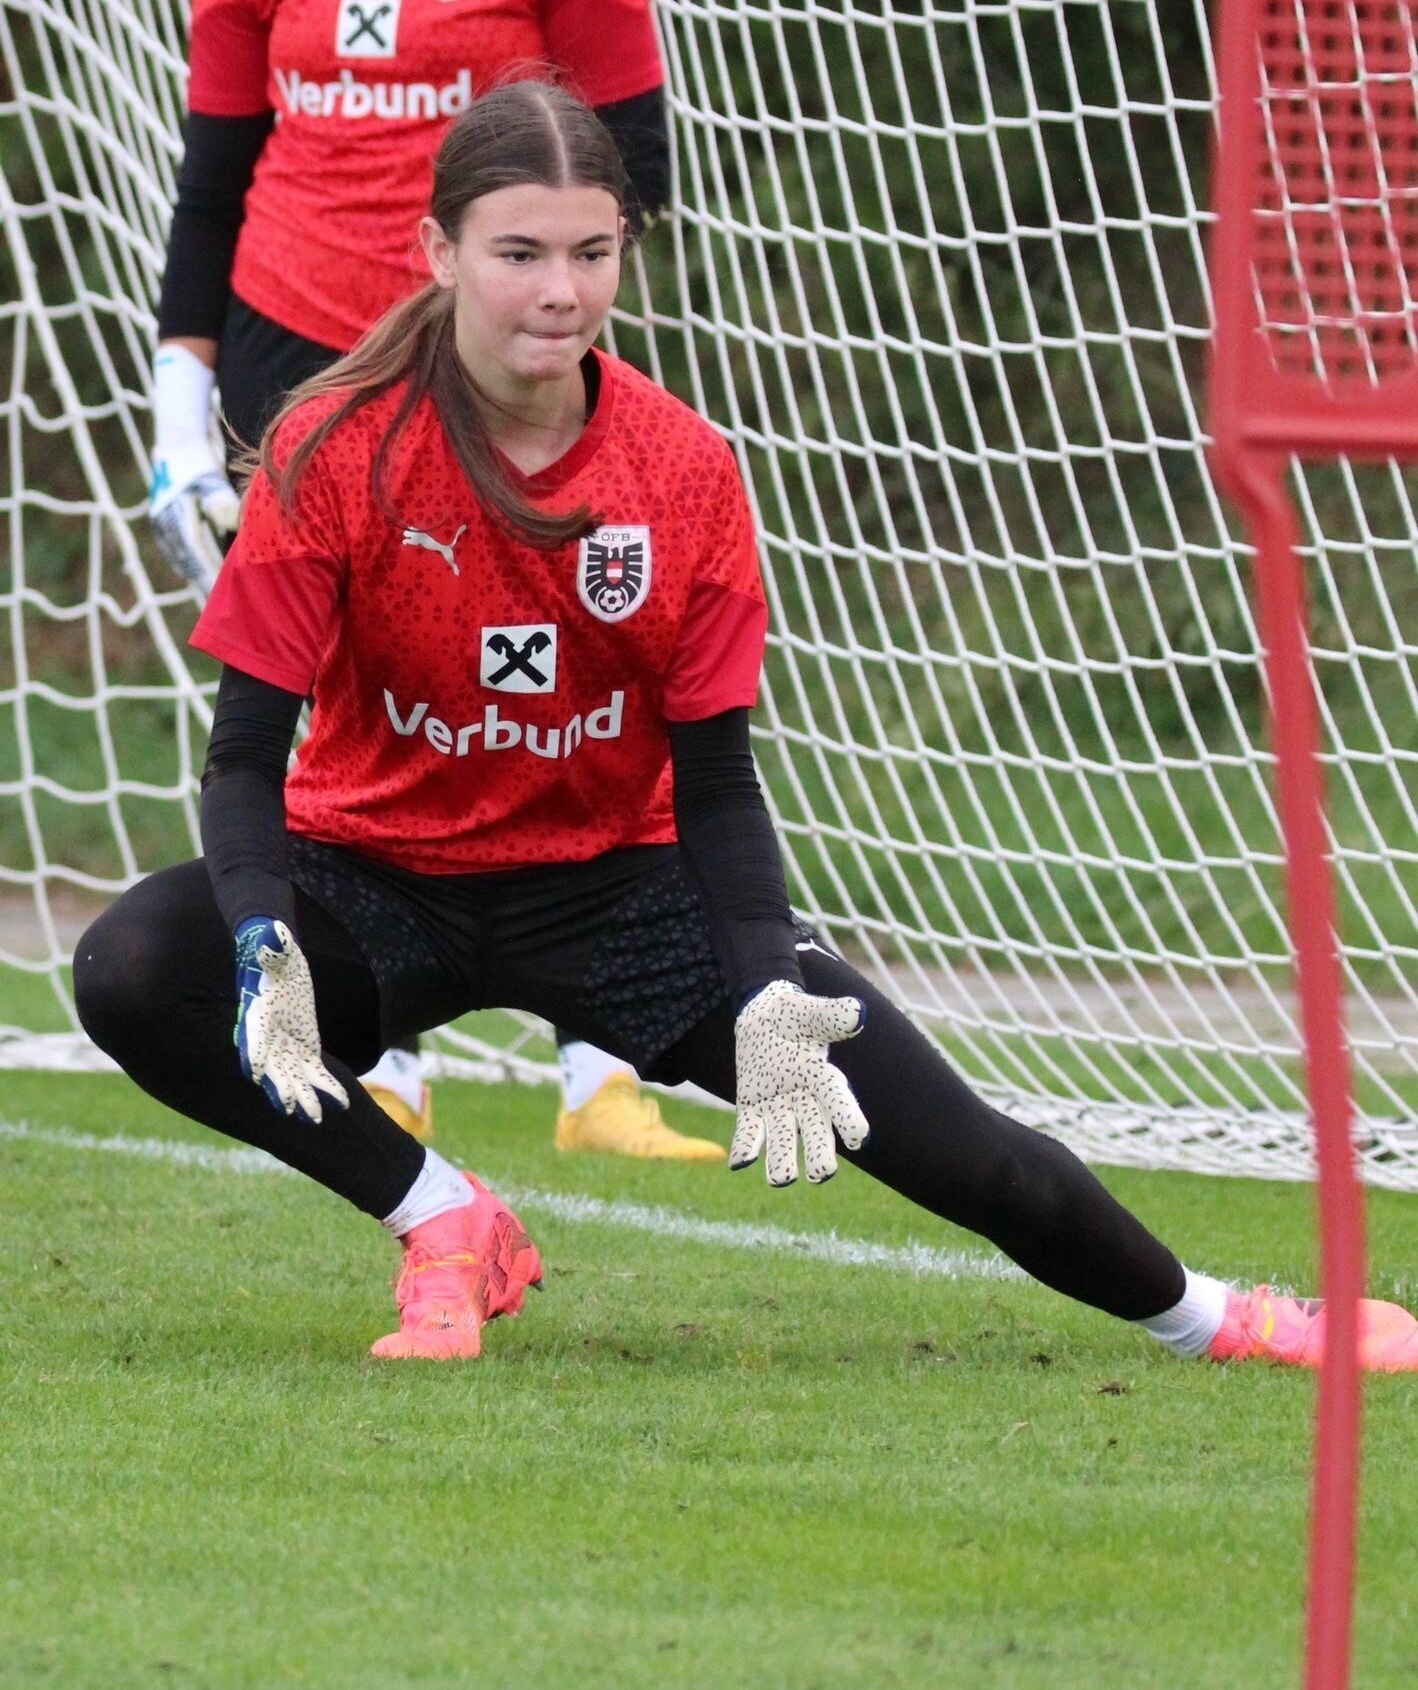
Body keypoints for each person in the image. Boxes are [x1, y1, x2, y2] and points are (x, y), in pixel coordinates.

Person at [78, 82, 1418, 1372]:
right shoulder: (337, 446)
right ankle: (440, 1218)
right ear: (437, 252)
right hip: (375, 887)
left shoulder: (683, 469)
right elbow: (245, 756)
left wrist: (767, 987)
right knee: (138, 968)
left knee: (971, 1154)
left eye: (591, 251)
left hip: (625, 898)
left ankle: (1218, 1318)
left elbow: (717, 785)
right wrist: (264, 937)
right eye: (519, 252)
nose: (558, 289)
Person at [147, 0, 719, 1160]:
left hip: (490, 358)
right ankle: (382, 1045)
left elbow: (635, 171)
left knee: (580, 653)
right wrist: (181, 399)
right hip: (291, 354)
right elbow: (209, 184)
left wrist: (510, 278)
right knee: (348, 688)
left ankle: (603, 1066)